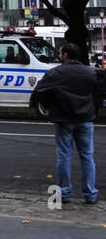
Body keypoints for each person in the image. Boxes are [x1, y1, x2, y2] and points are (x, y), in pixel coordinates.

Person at [32, 42, 99, 205]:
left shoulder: (56, 73)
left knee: (64, 155)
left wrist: (50, 105)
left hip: (63, 118)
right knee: (87, 156)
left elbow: (39, 91)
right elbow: (95, 94)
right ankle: (90, 193)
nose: (60, 56)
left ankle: (64, 193)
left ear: (66, 55)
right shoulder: (90, 72)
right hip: (85, 118)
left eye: (61, 53)